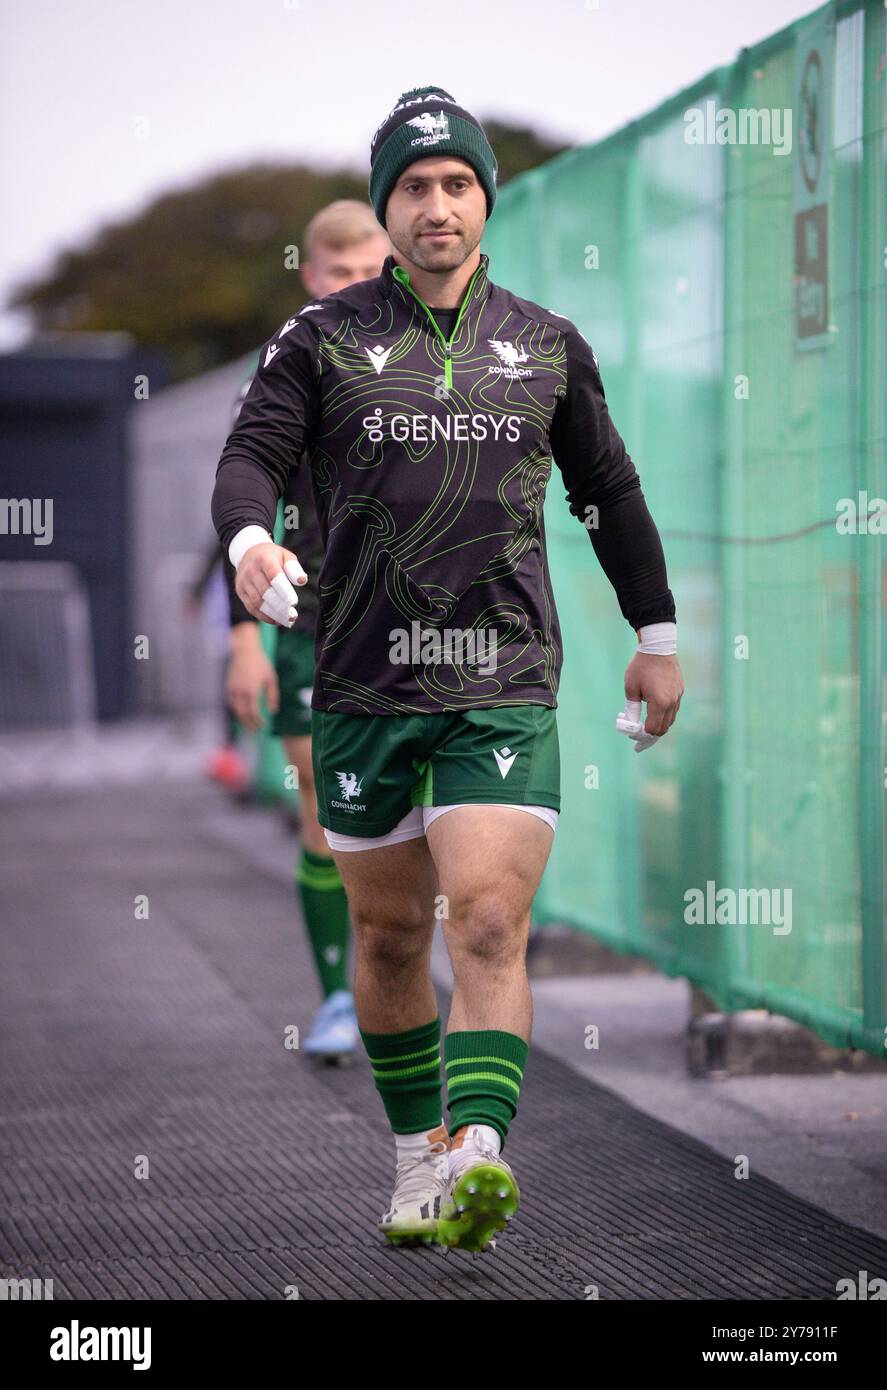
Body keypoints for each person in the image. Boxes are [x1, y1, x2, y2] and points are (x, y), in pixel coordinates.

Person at [212, 86, 684, 1253]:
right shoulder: (316, 341)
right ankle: (415, 1160)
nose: (437, 204)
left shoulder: (544, 343)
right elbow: (249, 457)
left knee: (481, 918)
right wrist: (248, 540)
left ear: (484, 200)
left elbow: (608, 492)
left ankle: (478, 1146)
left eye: (456, 183)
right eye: (414, 186)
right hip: (364, 683)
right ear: (387, 207)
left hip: (502, 675)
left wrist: (657, 637)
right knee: (388, 939)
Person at [224, 201, 391, 1060]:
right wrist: (242, 637)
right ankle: (336, 998)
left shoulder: (423, 355)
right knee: (323, 811)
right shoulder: (290, 359)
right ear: (310, 274)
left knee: (421, 825)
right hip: (306, 619)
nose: (356, 286)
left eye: (371, 269)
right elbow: (240, 492)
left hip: (406, 625)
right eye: (339, 273)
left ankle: (395, 978)